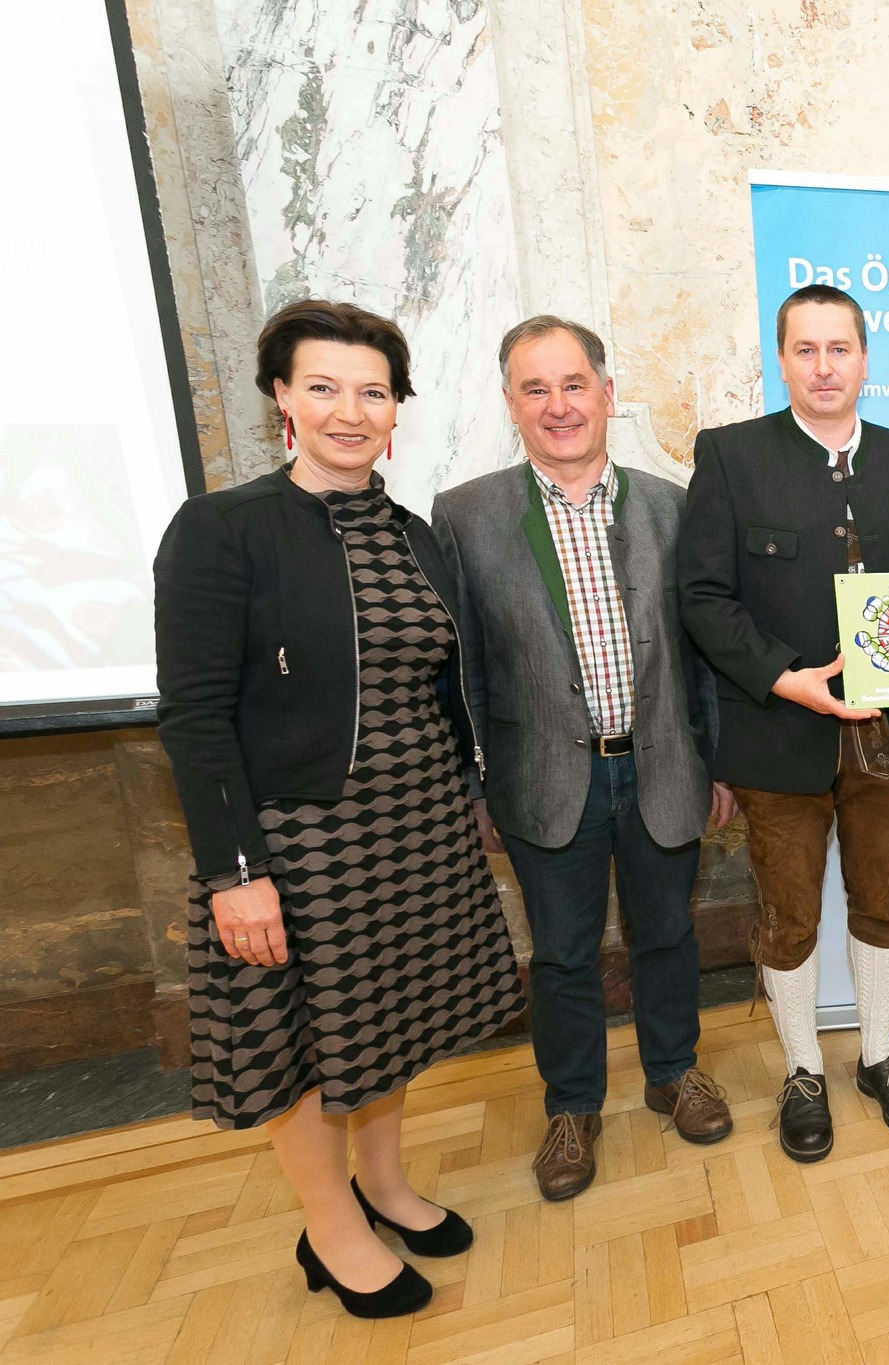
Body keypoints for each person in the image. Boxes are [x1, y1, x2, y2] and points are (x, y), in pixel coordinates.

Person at [154, 300, 524, 1318]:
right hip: (297, 842)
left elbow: (445, 685)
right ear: (282, 395)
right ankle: (330, 1227)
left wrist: (470, 792)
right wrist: (236, 873)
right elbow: (192, 718)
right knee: (309, 1046)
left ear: (396, 408)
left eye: (371, 390)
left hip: (417, 828)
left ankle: (386, 1184)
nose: (349, 410)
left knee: (390, 1024)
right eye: (324, 386)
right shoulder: (223, 530)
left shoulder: (412, 533)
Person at [431, 316, 732, 1203]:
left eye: (573, 384)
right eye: (536, 388)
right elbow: (464, 666)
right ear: (512, 405)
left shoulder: (672, 503)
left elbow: (701, 646)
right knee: (561, 954)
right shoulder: (467, 515)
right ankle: (572, 1106)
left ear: (607, 392)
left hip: (663, 765)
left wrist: (715, 762)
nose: (559, 405)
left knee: (668, 933)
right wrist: (475, 781)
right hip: (541, 780)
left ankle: (675, 1070)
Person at [679, 284, 889, 1163]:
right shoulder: (731, 456)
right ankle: (804, 1068)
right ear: (782, 360)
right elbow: (701, 596)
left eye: (839, 348)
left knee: (882, 901)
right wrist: (781, 678)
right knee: (790, 913)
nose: (824, 366)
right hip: (781, 736)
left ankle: (879, 1055)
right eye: (804, 350)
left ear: (866, 358)